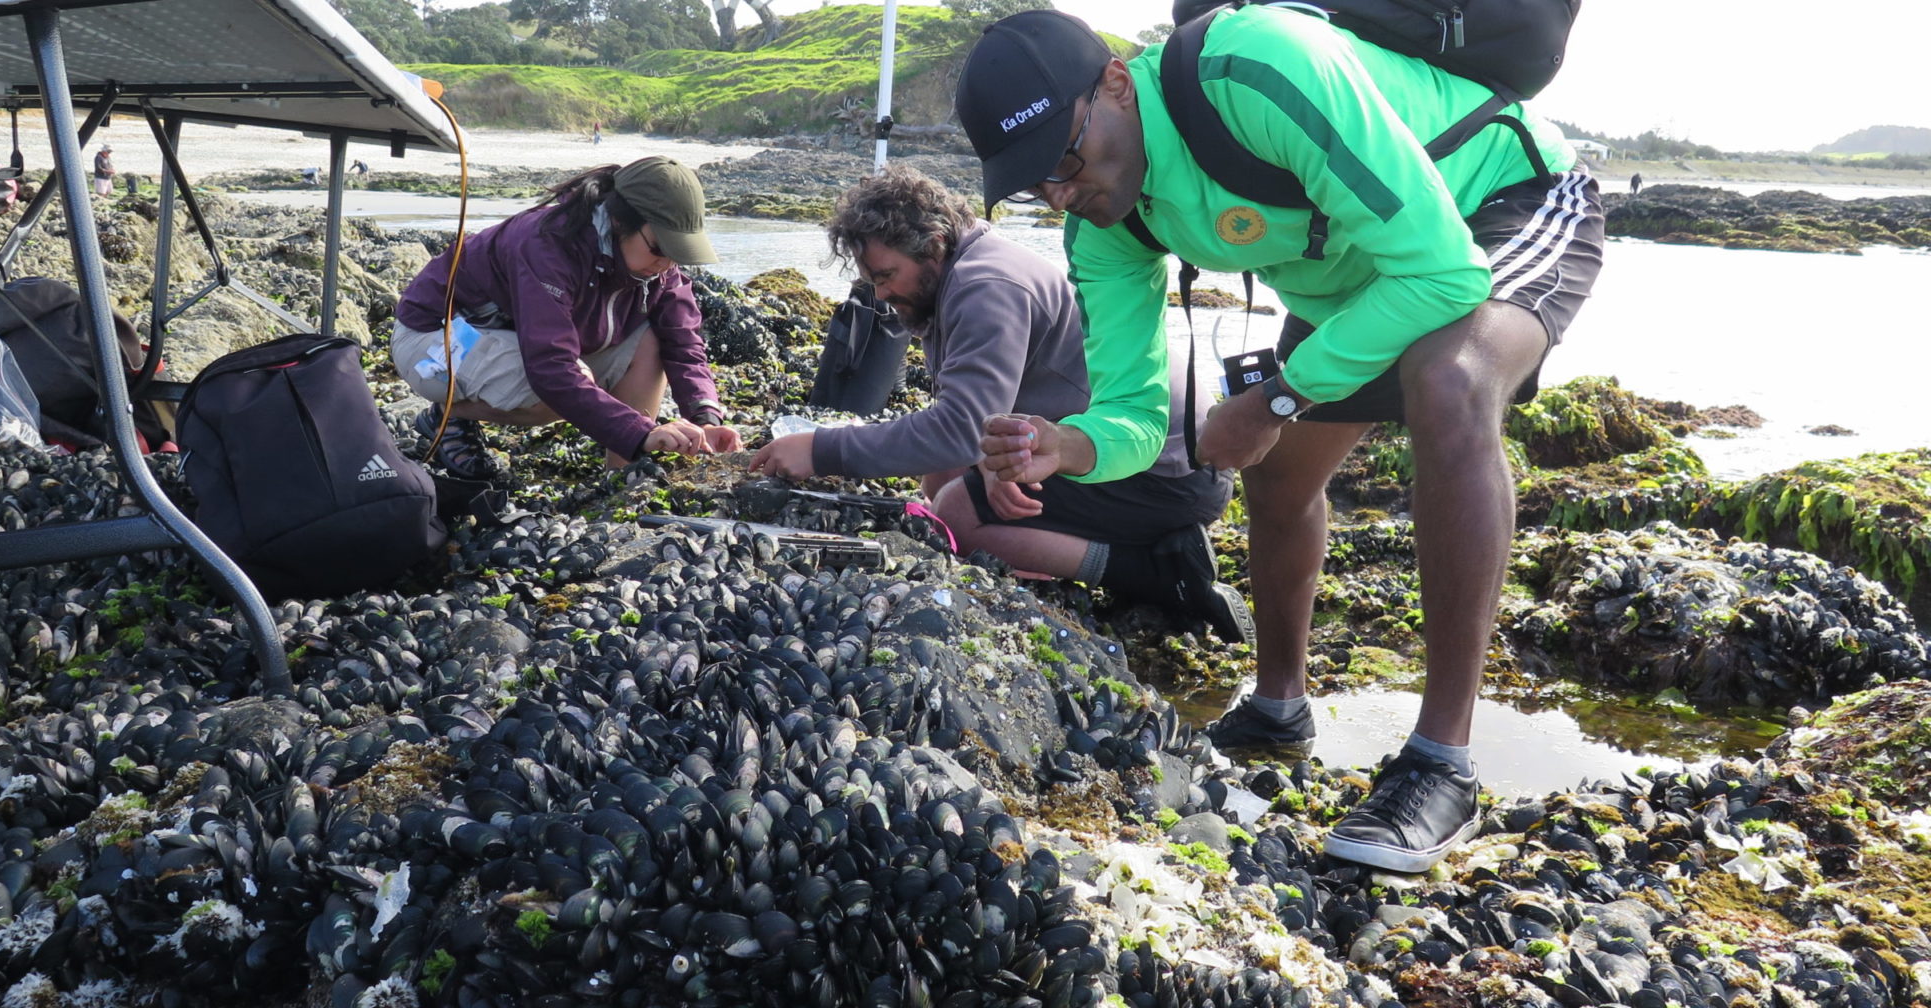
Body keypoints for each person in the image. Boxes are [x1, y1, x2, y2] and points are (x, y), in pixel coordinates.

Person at [956, 9, 1604, 871]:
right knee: (1280, 475)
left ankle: (1442, 762)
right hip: (1361, 269)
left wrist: (1279, 397)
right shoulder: (1104, 222)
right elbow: (1136, 417)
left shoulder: (1257, 69)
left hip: (1495, 201)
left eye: (1066, 162)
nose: (1062, 195)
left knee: (1449, 385)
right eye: (1036, 183)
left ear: (1116, 81)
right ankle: (1277, 704)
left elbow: (1445, 272)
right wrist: (1069, 446)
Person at [748, 168, 1248, 639]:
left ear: (934, 244)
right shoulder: (961, 268)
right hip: (1109, 444)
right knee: (940, 491)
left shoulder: (986, 286)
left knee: (958, 516)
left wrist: (822, 450)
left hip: (1170, 472)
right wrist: (986, 460)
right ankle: (1082, 546)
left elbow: (958, 429)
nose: (881, 295)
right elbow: (970, 421)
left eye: (886, 276)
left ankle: (1160, 571)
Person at [392, 155, 741, 477]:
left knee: (652, 340)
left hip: (516, 339)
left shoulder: (659, 269)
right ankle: (449, 414)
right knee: (555, 392)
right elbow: (551, 368)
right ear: (620, 220)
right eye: (660, 247)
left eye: (677, 251)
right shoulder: (547, 243)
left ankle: (623, 475)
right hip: (436, 338)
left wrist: (705, 418)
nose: (666, 262)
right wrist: (642, 432)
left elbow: (684, 342)